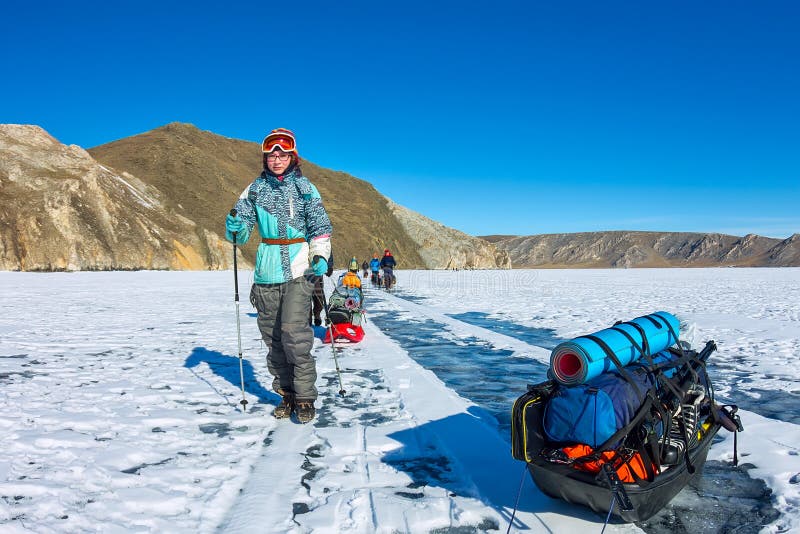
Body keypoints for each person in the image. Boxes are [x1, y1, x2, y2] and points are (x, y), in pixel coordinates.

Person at [225, 128, 332, 424]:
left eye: (282, 154)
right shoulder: (254, 189)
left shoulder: (306, 188)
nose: (276, 159)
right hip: (266, 271)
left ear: (292, 157)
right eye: (271, 155)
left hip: (300, 269)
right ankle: (286, 394)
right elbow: (242, 232)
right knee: (273, 339)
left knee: (295, 336)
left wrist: (320, 255)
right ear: (265, 158)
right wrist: (234, 226)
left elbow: (320, 226)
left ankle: (306, 397)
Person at [310, 252, 334, 327]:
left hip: (319, 271)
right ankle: (308, 319)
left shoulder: (324, 241)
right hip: (306, 270)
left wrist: (329, 267)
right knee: (306, 297)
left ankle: (317, 314)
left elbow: (328, 252)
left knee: (319, 296)